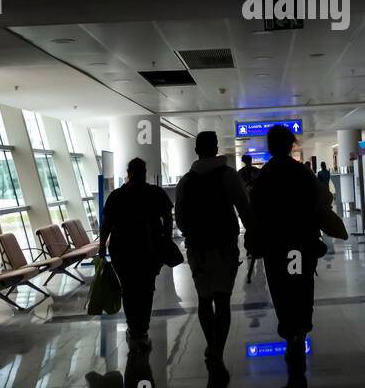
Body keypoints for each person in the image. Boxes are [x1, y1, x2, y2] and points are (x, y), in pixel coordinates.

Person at [247, 124, 323, 375]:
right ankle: (300, 330)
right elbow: (316, 206)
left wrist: (255, 240)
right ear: (291, 145)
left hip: (275, 245)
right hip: (299, 244)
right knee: (300, 283)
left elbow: (256, 213)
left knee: (280, 287)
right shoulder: (302, 173)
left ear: (269, 147)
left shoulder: (264, 176)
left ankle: (290, 332)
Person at [175, 131, 251, 367]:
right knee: (223, 300)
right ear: (216, 148)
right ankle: (218, 348)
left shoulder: (186, 181)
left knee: (204, 300)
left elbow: (180, 220)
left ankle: (211, 344)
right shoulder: (228, 175)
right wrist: (253, 235)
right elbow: (244, 208)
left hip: (198, 248)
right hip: (224, 247)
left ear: (196, 150)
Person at [98, 157, 173, 351]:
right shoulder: (154, 193)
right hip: (150, 249)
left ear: (128, 173)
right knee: (146, 289)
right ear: (144, 172)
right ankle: (142, 329)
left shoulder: (116, 196)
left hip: (122, 250)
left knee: (129, 290)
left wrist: (101, 246)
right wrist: (166, 238)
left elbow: (107, 224)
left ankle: (134, 328)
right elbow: (167, 216)